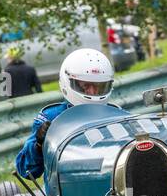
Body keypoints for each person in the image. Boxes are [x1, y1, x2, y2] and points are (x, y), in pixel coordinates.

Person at [14, 47, 114, 179]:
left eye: (98, 86)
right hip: (66, 188)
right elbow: (26, 171)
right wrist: (38, 145)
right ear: (68, 82)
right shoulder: (51, 117)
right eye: (85, 85)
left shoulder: (115, 113)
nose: (92, 92)